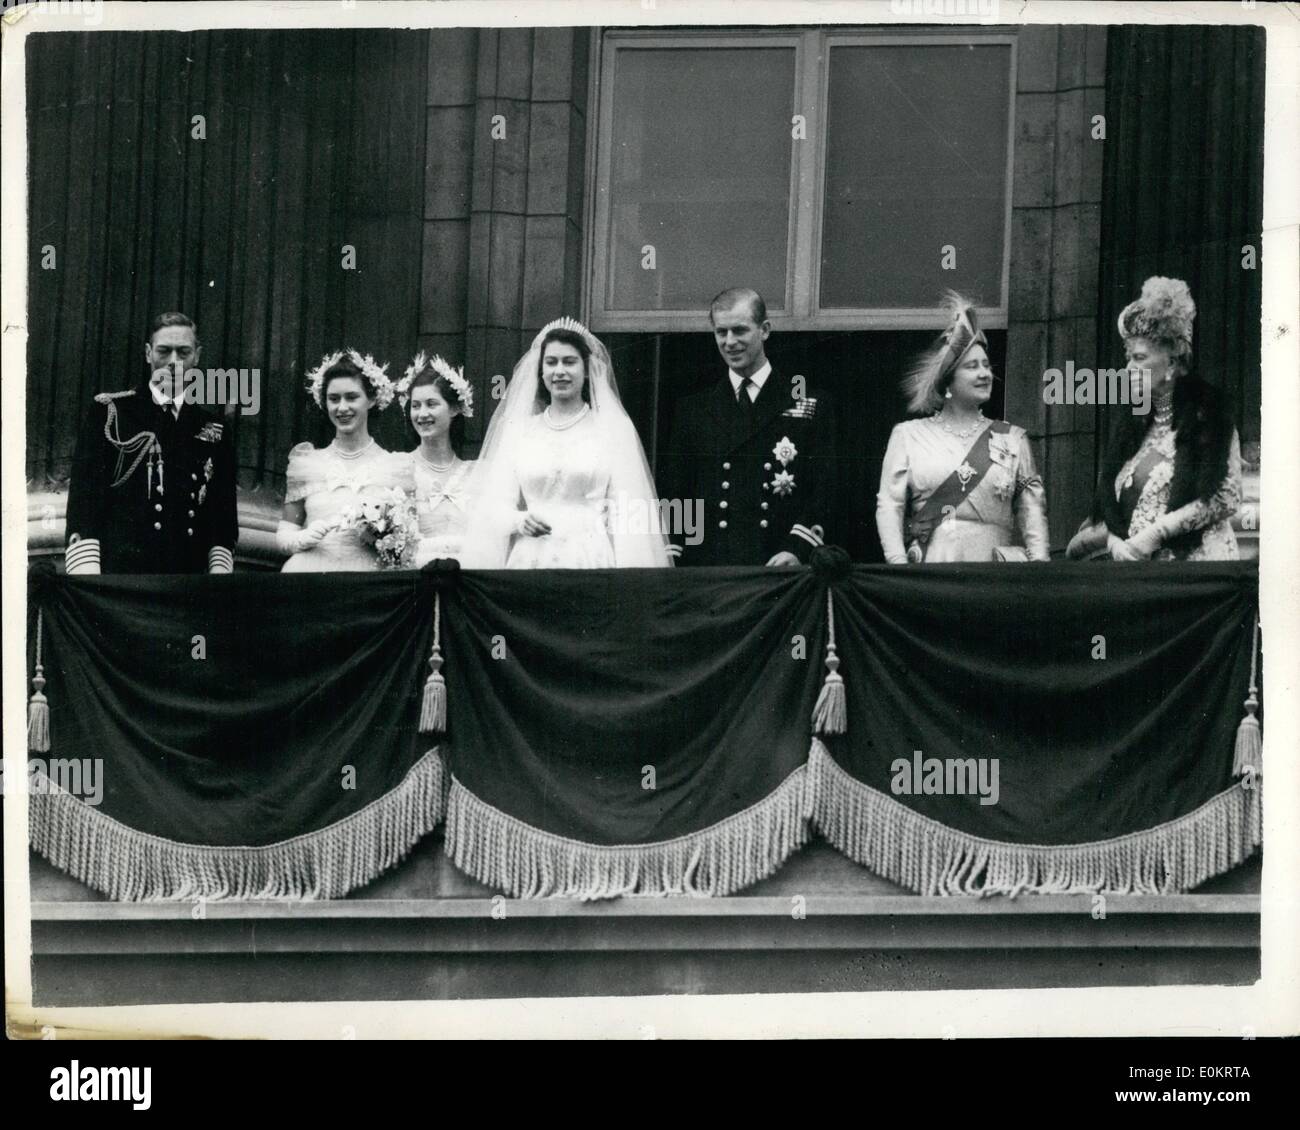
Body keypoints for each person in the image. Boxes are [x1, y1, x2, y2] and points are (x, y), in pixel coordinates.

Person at [459, 317, 671, 569]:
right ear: (541, 371)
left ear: (586, 369)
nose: (559, 371)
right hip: (530, 559)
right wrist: (518, 520)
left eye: (569, 362)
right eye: (551, 363)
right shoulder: (521, 430)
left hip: (590, 558)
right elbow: (495, 504)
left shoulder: (611, 429)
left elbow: (626, 509)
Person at [1067, 277, 1240, 562]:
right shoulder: (1132, 427)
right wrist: (1113, 541)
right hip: (1141, 577)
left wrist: (1155, 534)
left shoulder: (1208, 417)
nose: (1128, 368)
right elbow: (1113, 509)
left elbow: (1225, 497)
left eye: (1139, 358)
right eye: (1128, 358)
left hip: (1197, 569)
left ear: (1171, 363)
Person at [660, 287, 836, 567]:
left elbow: (826, 487)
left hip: (780, 563)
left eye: (740, 330)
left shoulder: (807, 402)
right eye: (721, 332)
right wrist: (675, 553)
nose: (730, 342)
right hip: (711, 566)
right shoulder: (693, 409)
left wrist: (797, 547)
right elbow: (678, 492)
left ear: (764, 330)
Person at [876, 293, 1049, 563]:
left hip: (993, 574)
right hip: (932, 566)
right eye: (971, 366)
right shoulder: (909, 435)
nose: (984, 374)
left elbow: (1032, 513)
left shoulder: (1013, 439)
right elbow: (890, 505)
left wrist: (1039, 568)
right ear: (947, 383)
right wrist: (898, 564)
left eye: (986, 365)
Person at [64, 311, 238, 575]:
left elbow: (222, 514)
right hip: (123, 577)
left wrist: (218, 578)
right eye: (163, 351)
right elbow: (85, 498)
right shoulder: (111, 412)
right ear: (148, 353)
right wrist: (88, 578)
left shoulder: (213, 428)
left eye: (183, 352)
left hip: (189, 580)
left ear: (197, 356)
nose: (173, 362)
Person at [277, 350, 413, 572]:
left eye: (351, 397)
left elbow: (407, 543)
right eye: (334, 399)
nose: (342, 408)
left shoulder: (396, 467)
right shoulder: (307, 464)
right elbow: (284, 534)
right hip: (310, 575)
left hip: (367, 579)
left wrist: (381, 536)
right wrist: (304, 537)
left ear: (371, 400)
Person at [396, 353, 475, 566]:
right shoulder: (399, 467)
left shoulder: (478, 473)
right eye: (415, 405)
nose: (422, 414)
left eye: (431, 404)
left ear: (454, 408)